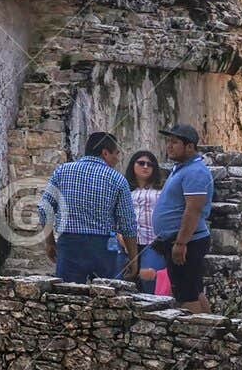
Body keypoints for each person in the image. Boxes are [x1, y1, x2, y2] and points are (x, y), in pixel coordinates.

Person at [38, 132, 138, 284]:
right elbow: (128, 224)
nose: (118, 159)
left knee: (68, 298)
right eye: (116, 154)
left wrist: (50, 242)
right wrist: (133, 258)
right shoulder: (118, 179)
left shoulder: (62, 171)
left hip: (70, 243)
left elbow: (45, 209)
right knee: (105, 298)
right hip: (104, 248)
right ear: (105, 153)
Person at [150, 123, 214, 311]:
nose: (169, 146)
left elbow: (193, 210)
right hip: (182, 241)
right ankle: (211, 334)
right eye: (169, 141)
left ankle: (196, 337)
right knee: (194, 291)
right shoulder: (181, 168)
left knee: (186, 296)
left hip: (188, 242)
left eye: (175, 142)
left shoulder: (195, 172)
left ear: (190, 147)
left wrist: (180, 243)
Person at [125, 149, 166, 289]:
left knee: (150, 282)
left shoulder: (162, 191)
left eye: (150, 164)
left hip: (153, 242)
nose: (145, 167)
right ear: (133, 165)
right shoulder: (125, 189)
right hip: (127, 243)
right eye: (141, 163)